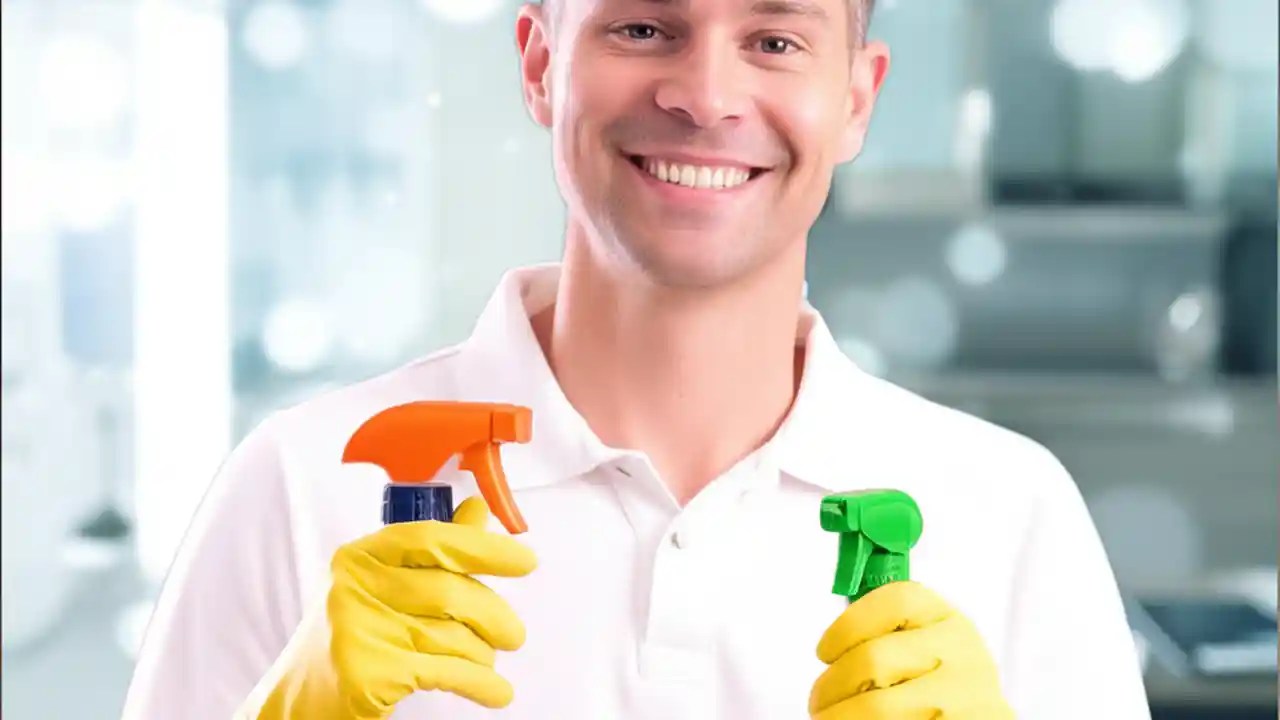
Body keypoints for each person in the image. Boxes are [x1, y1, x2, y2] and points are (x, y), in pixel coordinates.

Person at [122, 0, 1151, 718]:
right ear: (538, 64)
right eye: (642, 27)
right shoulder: (303, 483)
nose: (705, 95)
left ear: (855, 98)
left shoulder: (1010, 513)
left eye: (774, 39)